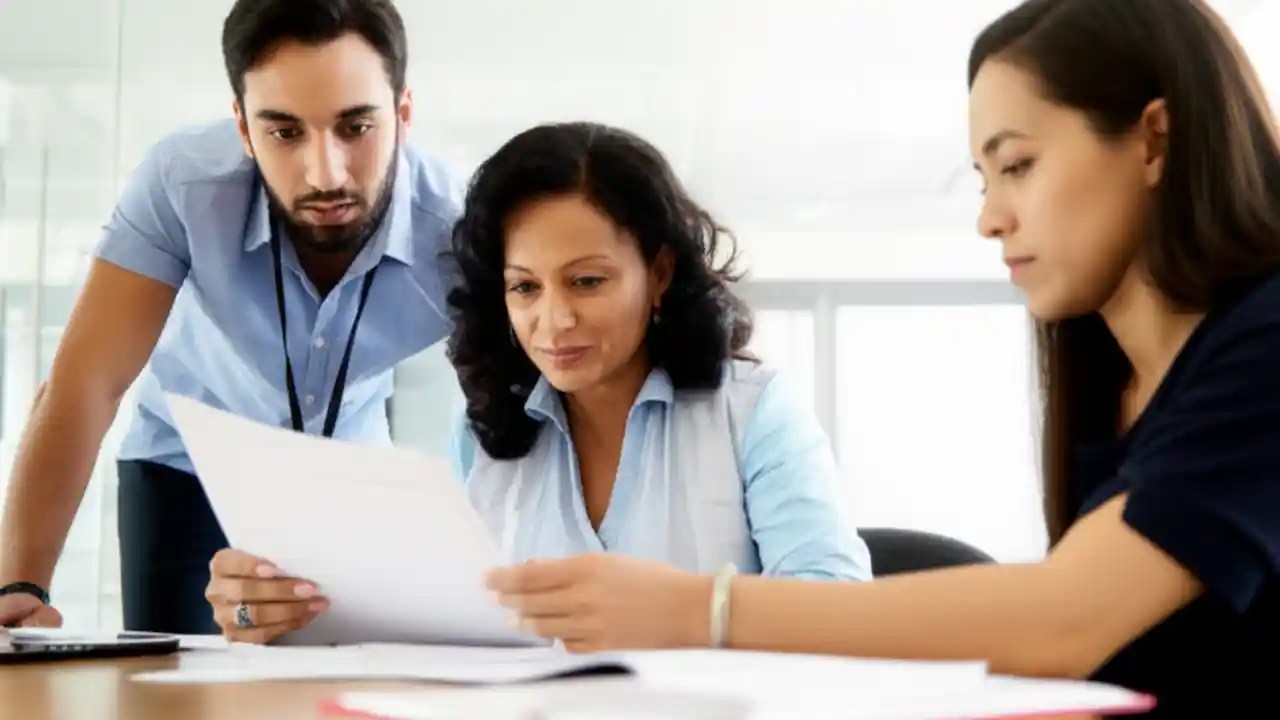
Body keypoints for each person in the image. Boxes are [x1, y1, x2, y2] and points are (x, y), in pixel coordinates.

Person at [482, 0, 1280, 714]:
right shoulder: (1114, 379)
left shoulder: (1266, 342)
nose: (991, 218)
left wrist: (697, 609)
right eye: (982, 179)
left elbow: (1070, 619)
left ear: (1152, 140)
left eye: (1018, 165)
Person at [204, 122, 871, 645]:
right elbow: (437, 622)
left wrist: (687, 612)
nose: (553, 321)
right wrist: (285, 613)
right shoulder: (483, 434)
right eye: (524, 287)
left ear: (660, 273)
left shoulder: (752, 411)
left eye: (587, 281)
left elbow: (838, 606)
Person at [0, 0, 461, 634]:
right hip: (183, 463)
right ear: (243, 129)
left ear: (403, 115)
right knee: (172, 688)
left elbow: (523, 411)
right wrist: (18, 586)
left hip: (350, 472)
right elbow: (86, 381)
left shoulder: (460, 233)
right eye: (284, 131)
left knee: (337, 682)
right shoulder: (182, 183)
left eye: (356, 128)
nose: (323, 173)